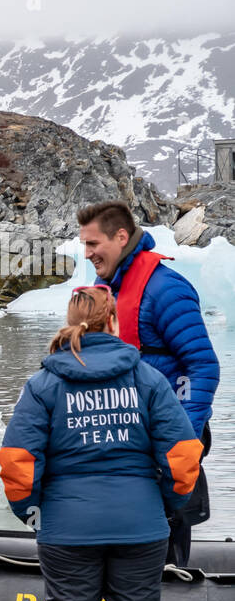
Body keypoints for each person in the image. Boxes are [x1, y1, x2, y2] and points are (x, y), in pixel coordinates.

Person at [0, 287, 202, 601]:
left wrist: (34, 514)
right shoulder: (148, 380)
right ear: (114, 323)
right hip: (140, 527)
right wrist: (164, 506)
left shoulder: (44, 385)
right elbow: (184, 457)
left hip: (68, 532)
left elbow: (17, 463)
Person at [78, 200, 219, 565]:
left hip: (168, 440)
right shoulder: (108, 288)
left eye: (93, 244)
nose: (88, 253)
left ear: (121, 237)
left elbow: (202, 364)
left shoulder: (167, 289)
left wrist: (183, 437)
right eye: (85, 245)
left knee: (167, 538)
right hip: (126, 441)